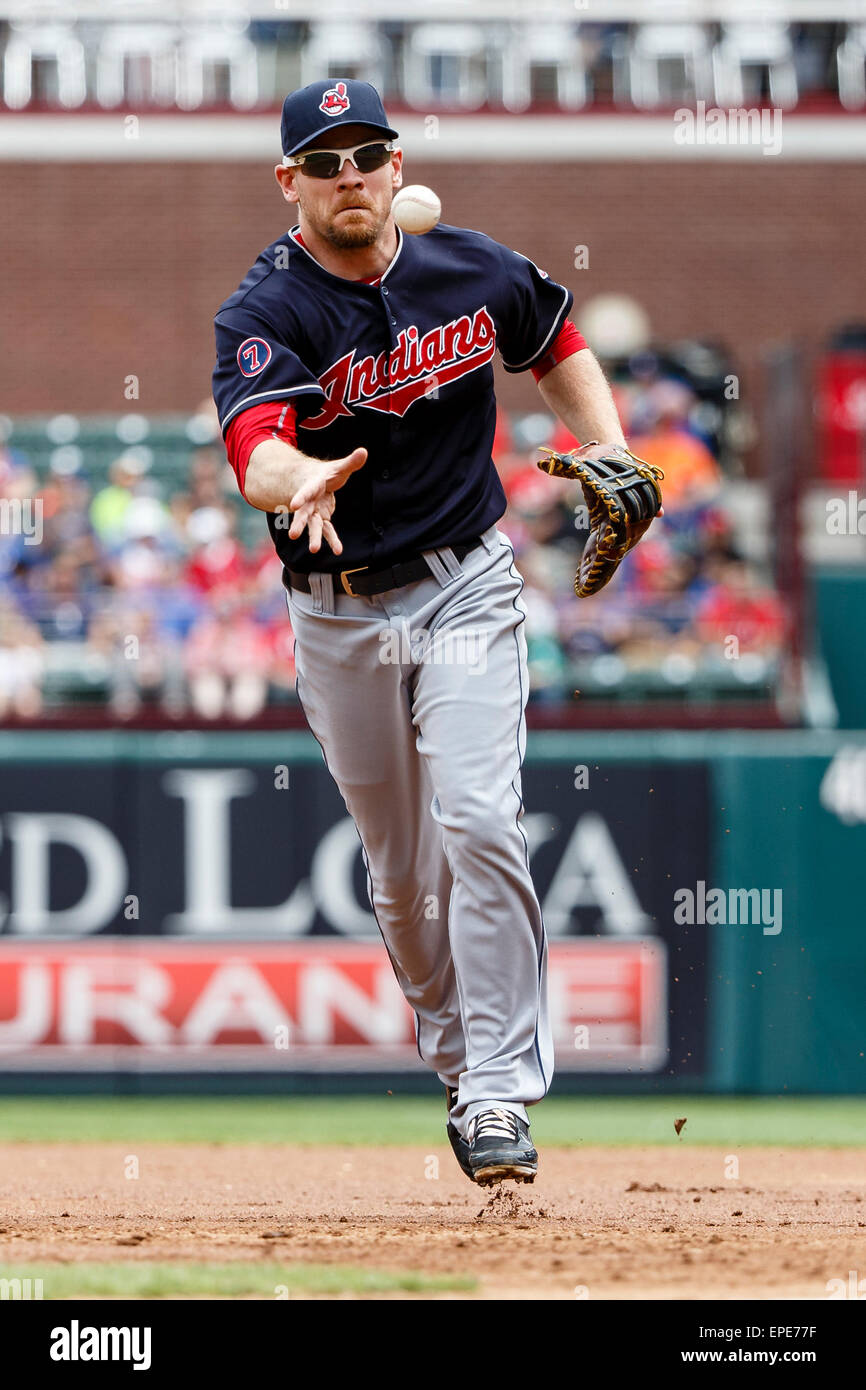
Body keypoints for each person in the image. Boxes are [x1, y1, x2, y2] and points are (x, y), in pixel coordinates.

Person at [212, 79, 635, 1186]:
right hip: (338, 610)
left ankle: (498, 1090)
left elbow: (557, 344)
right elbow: (255, 446)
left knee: (481, 821)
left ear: (398, 167)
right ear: (287, 182)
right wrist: (299, 472)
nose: (348, 175)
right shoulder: (266, 309)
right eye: (325, 159)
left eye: (366, 154)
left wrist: (612, 452)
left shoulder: (472, 266)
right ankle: (455, 1062)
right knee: (400, 876)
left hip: (463, 584)